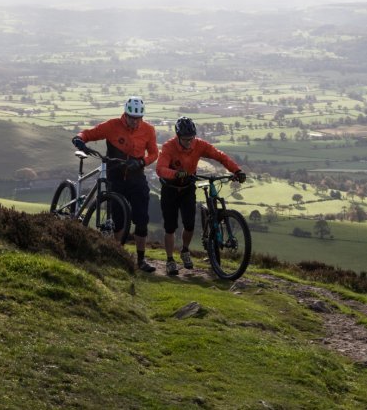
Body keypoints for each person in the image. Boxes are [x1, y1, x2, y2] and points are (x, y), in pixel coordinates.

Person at [71, 96, 159, 272]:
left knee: (142, 219)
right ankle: (118, 256)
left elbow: (154, 153)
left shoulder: (148, 130)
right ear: (125, 114)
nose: (135, 122)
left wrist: (142, 162)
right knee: (119, 220)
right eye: (131, 118)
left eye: (138, 118)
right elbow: (89, 133)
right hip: (115, 176)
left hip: (136, 177)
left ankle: (141, 260)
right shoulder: (112, 126)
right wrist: (79, 138)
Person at [156, 116, 246, 276]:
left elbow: (220, 156)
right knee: (170, 227)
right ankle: (170, 260)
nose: (189, 142)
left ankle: (184, 251)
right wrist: (176, 174)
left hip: (187, 188)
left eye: (191, 138)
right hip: (170, 189)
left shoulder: (199, 145)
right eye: (185, 139)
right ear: (178, 136)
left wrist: (236, 170)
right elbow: (160, 169)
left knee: (189, 224)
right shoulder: (168, 147)